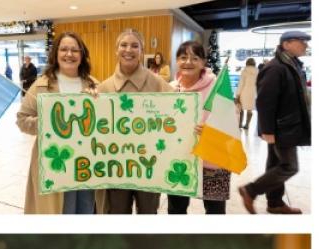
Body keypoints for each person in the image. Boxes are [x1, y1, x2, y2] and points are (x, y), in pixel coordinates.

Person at [17, 32, 99, 214]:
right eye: (64, 49)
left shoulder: (94, 85)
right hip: (55, 162)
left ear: (82, 54)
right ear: (56, 54)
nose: (69, 54)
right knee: (63, 211)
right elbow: (22, 120)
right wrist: (48, 123)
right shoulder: (41, 85)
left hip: (87, 162)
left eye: (75, 50)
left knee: (86, 208)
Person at [97, 29, 170, 214]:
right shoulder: (104, 87)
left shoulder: (158, 83)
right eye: (123, 45)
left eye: (134, 46)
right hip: (116, 167)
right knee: (118, 213)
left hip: (150, 165)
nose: (128, 50)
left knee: (148, 213)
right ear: (116, 50)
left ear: (142, 51)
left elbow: (177, 114)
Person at [237, 30, 310, 215]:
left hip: (287, 124)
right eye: (302, 41)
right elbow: (265, 101)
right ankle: (250, 190)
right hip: (282, 127)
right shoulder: (276, 68)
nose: (306, 45)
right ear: (287, 44)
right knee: (289, 166)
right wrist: (268, 130)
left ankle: (275, 203)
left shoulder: (292, 65)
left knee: (275, 164)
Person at [167, 41, 229, 215]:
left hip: (213, 159)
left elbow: (232, 119)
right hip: (179, 160)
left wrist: (214, 130)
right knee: (176, 209)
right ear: (177, 61)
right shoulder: (171, 89)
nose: (188, 62)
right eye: (183, 57)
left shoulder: (217, 86)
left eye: (195, 58)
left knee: (215, 211)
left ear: (203, 62)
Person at [235, 57, 258, 130]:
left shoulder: (245, 71)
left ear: (247, 63)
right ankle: (247, 125)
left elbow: (241, 83)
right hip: (253, 93)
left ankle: (240, 124)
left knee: (241, 108)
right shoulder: (258, 71)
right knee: (249, 109)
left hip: (244, 92)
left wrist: (237, 94)